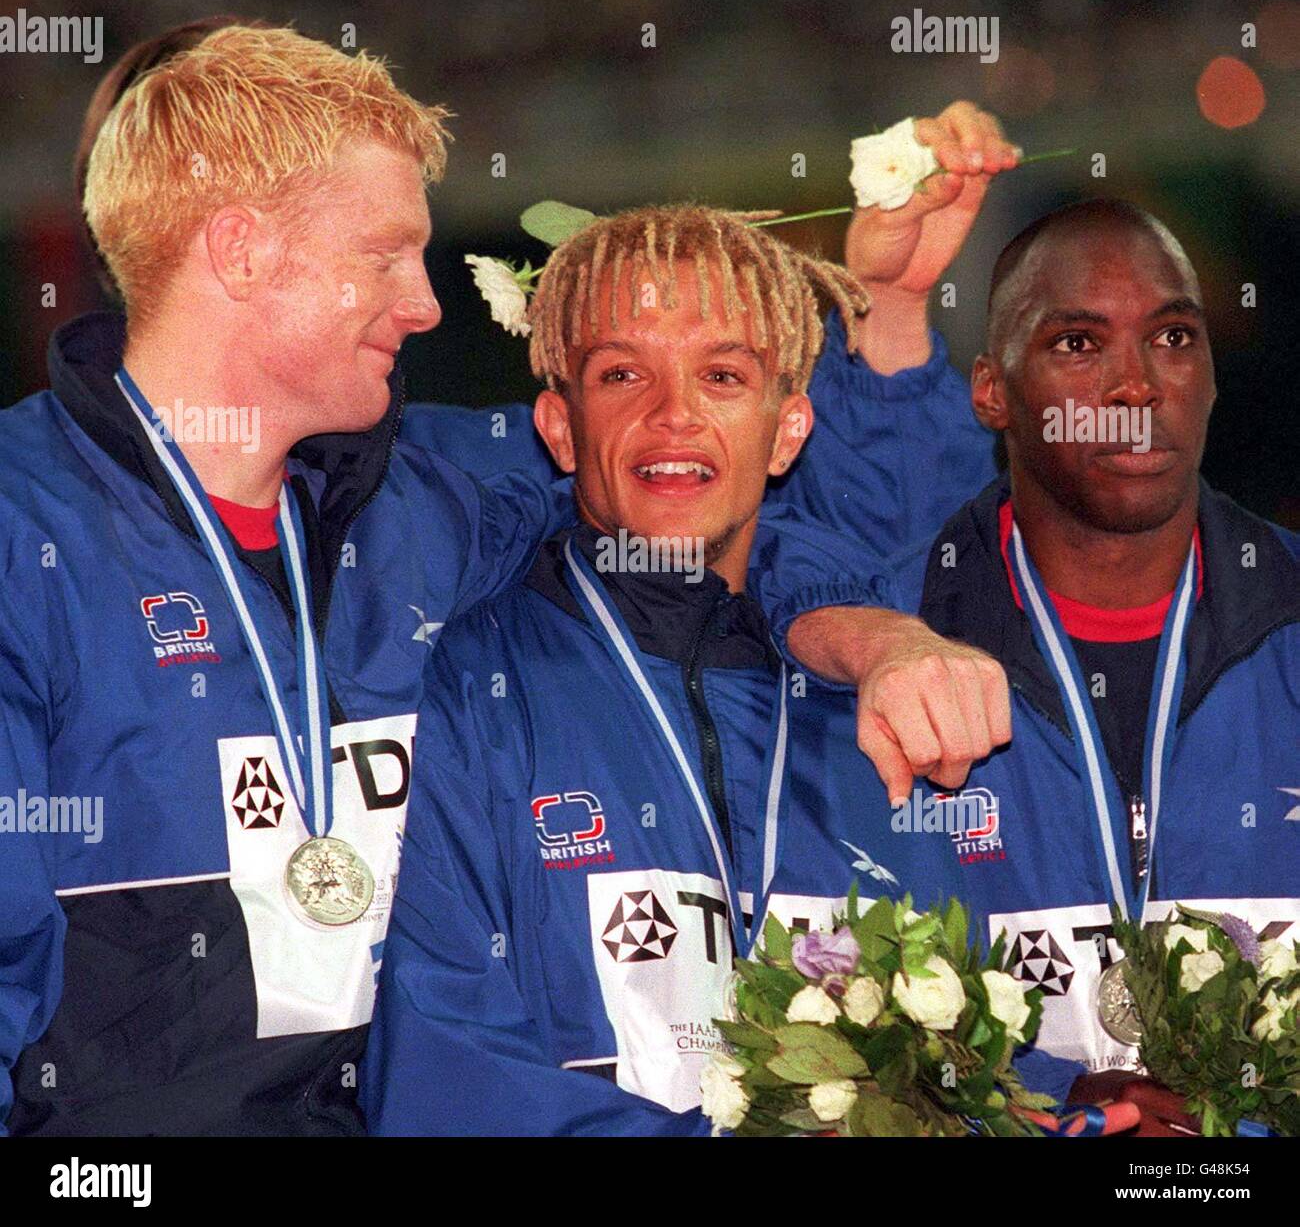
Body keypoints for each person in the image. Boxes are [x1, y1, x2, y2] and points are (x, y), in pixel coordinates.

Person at [0, 23, 1001, 1136]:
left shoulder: (428, 499)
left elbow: (704, 505)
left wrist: (866, 626)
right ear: (242, 252)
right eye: (382, 255)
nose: (425, 305)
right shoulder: (20, 537)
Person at [363, 204, 978, 1135]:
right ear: (562, 432)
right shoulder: (458, 688)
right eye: (622, 373)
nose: (674, 412)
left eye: (723, 374)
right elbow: (444, 1076)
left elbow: (961, 1056)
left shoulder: (874, 712)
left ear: (787, 433)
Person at [877, 199, 1299, 1111]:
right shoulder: (885, 645)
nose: (1136, 386)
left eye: (1175, 337)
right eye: (1078, 345)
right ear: (991, 390)